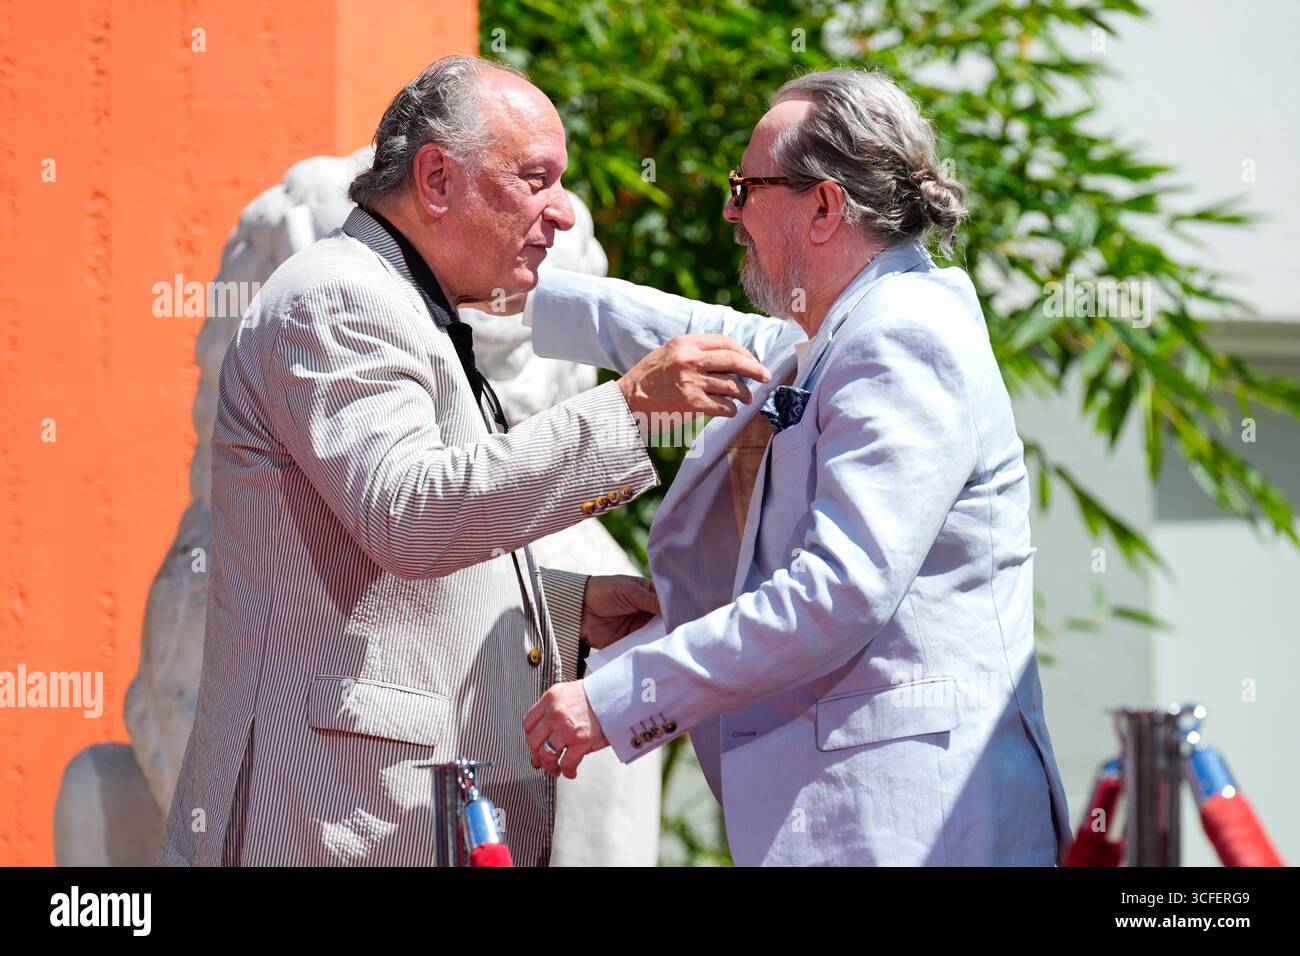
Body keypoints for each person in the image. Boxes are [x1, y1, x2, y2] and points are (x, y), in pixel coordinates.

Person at [157, 55, 768, 867]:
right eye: (536, 180)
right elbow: (409, 517)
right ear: (437, 180)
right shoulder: (338, 299)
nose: (562, 213)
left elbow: (392, 557)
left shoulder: (409, 304)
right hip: (328, 821)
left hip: (380, 814)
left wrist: (561, 609)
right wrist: (630, 409)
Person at [522, 68, 1072, 865]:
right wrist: (501, 289)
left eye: (746, 188)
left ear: (824, 207)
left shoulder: (899, 336)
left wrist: (621, 698)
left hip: (913, 829)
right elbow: (699, 333)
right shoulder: (849, 323)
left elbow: (840, 591)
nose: (730, 211)